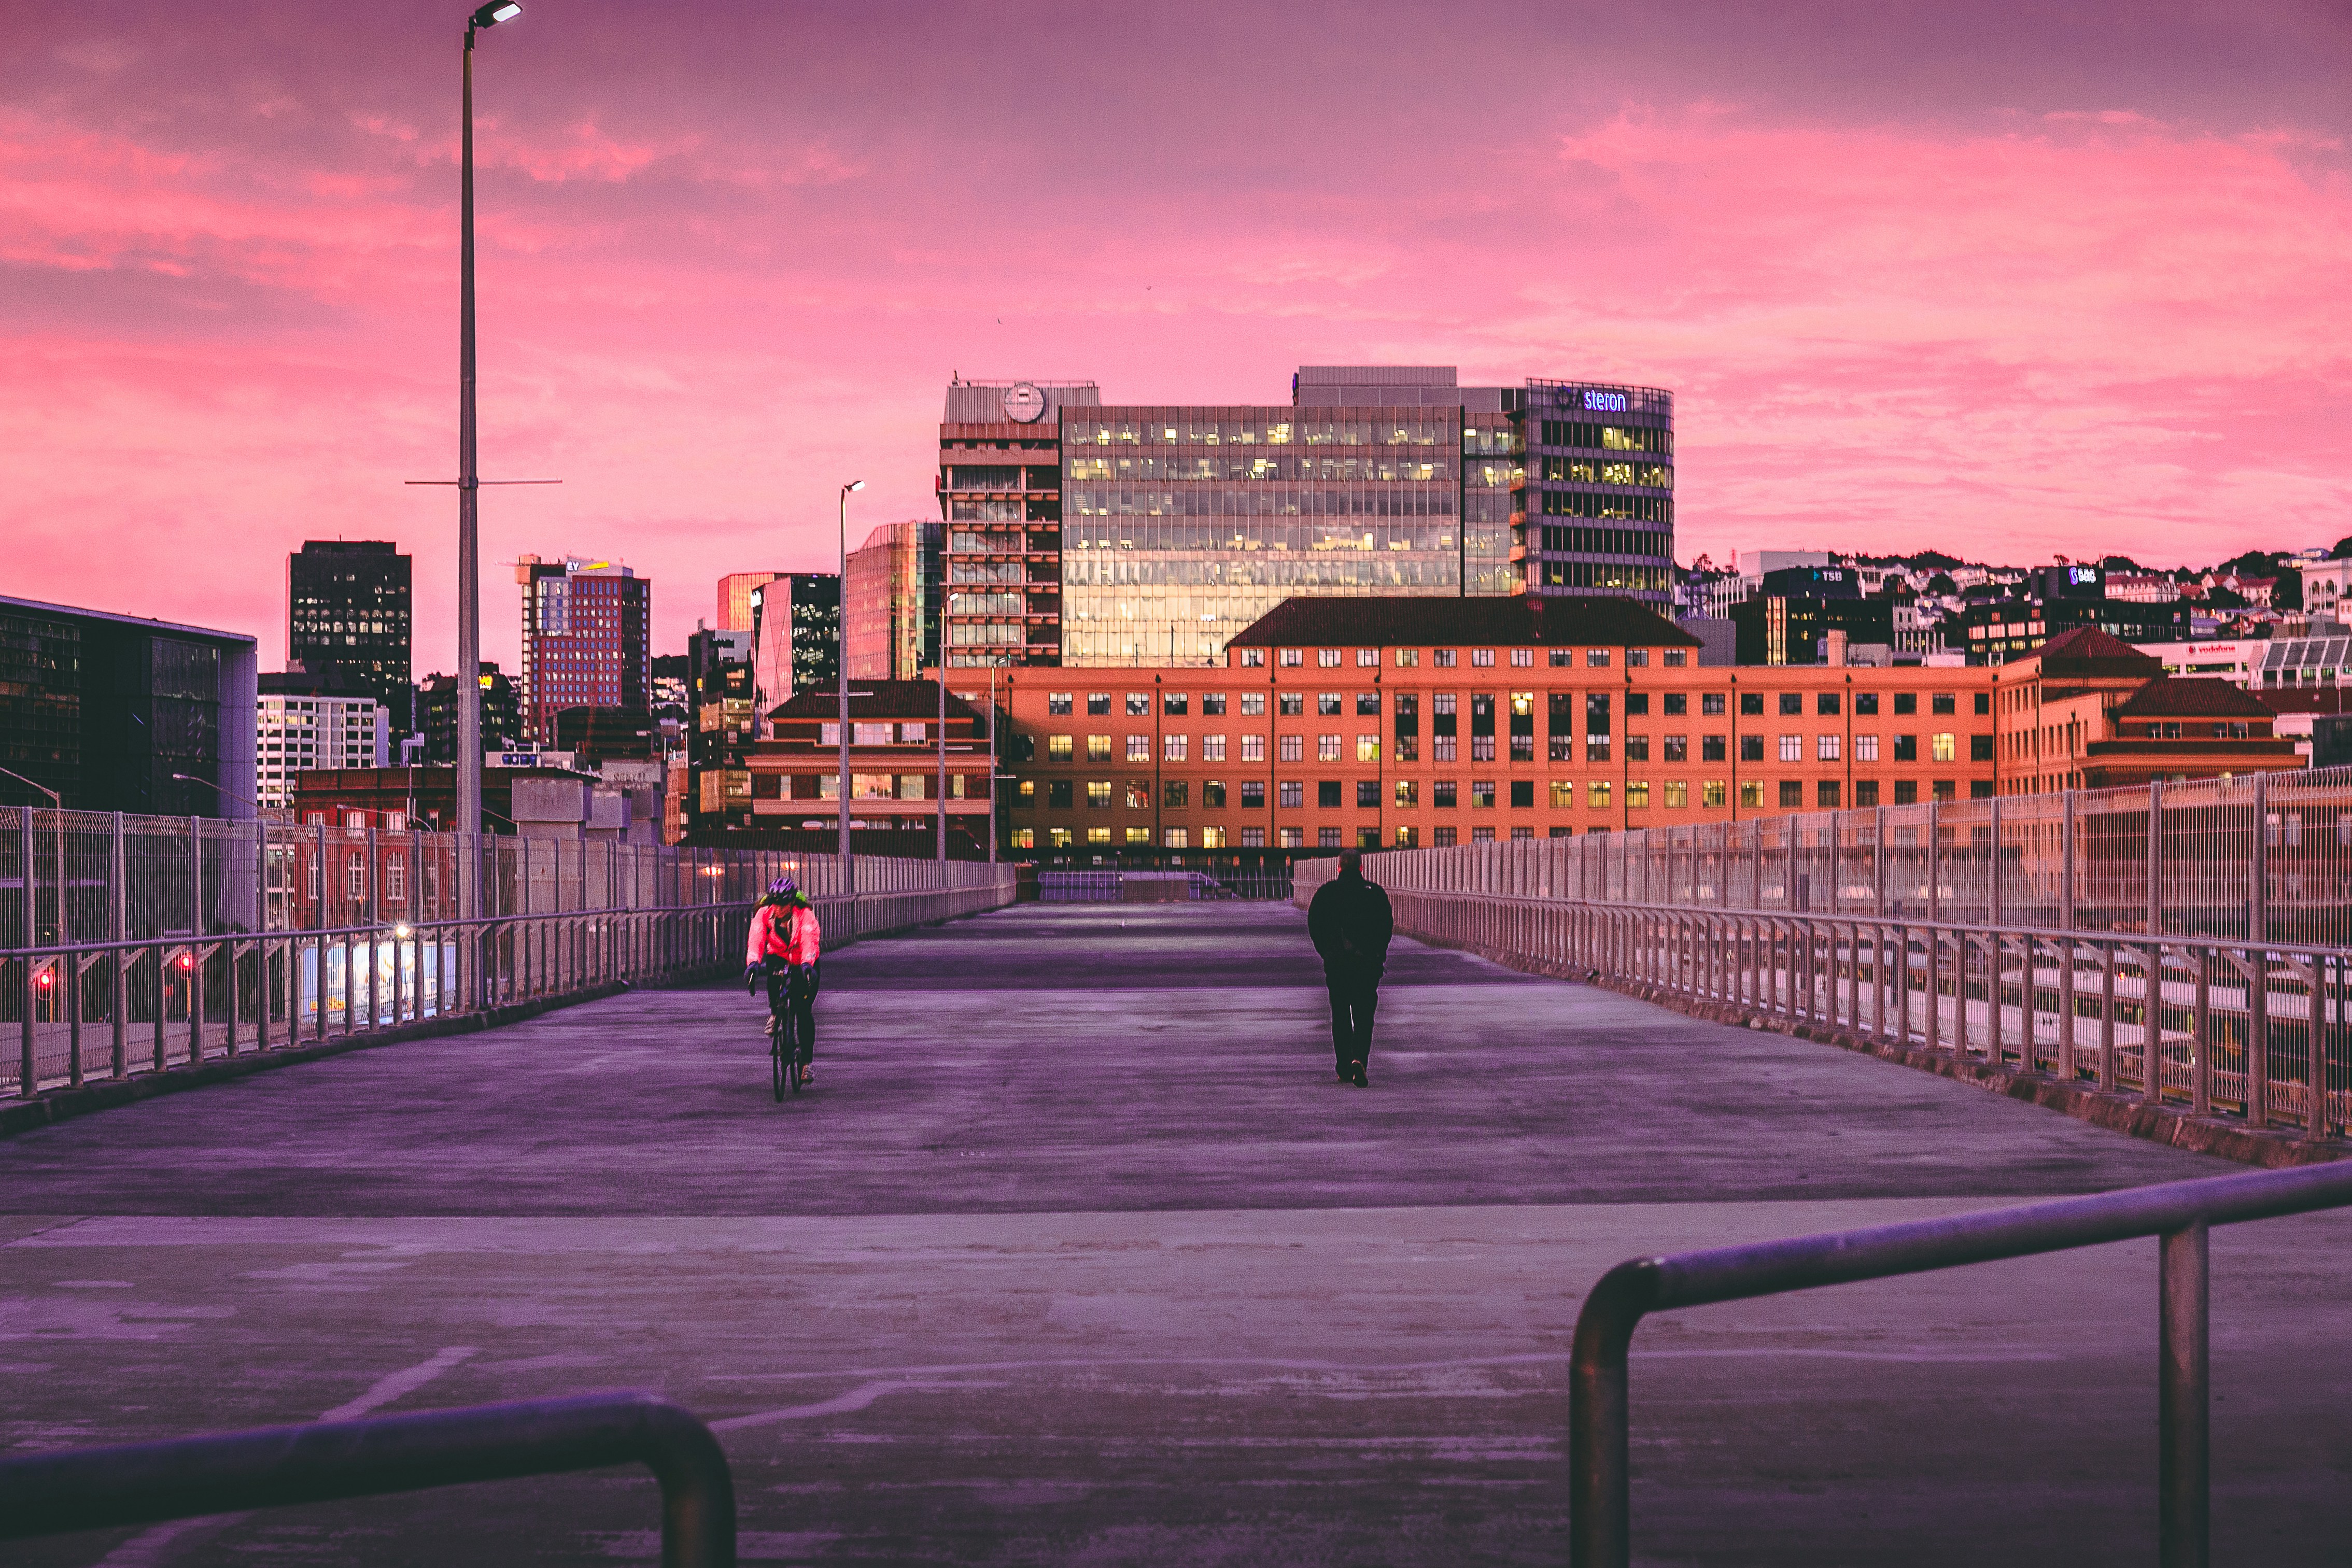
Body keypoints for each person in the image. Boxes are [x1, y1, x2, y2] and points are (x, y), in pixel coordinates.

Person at [1307, 849, 1392, 1086]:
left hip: (1338, 966)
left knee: (1341, 1016)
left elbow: (1314, 925)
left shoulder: (1327, 893)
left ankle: (1344, 1067)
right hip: (1367, 966)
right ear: (1362, 868)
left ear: (1339, 868)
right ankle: (1359, 1059)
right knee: (1364, 1016)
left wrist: (1327, 953)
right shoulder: (1375, 894)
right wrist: (1377, 955)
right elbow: (1386, 927)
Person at [744, 876, 822, 1085]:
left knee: (803, 1011)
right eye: (775, 904)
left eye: (783, 904)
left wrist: (807, 964)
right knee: (773, 974)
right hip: (778, 956)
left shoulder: (805, 915)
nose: (779, 909)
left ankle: (806, 1063)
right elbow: (756, 938)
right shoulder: (765, 914)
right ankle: (775, 1012)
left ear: (792, 903)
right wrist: (753, 963)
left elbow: (809, 939)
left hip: (804, 962)